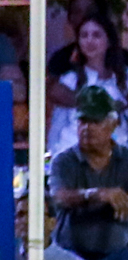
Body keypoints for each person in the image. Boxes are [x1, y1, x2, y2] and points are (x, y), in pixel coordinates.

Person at [49, 84, 128, 260]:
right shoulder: (64, 161)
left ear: (113, 124)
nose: (86, 128)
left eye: (95, 121)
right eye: (82, 121)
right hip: (72, 256)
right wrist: (95, 194)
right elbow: (58, 197)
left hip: (118, 256)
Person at [46, 14, 128, 157]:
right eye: (84, 35)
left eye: (96, 35)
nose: (89, 40)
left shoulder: (123, 79)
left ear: (108, 41)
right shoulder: (70, 80)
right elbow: (57, 126)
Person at [46, 0, 111, 86]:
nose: (84, 16)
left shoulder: (124, 60)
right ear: (70, 18)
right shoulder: (60, 60)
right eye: (77, 11)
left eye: (90, 11)